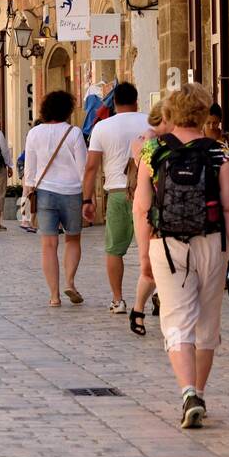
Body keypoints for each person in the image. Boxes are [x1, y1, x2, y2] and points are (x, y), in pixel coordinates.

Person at [133, 82, 229, 428]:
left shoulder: (153, 152)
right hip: (210, 242)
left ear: (169, 114)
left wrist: (143, 255)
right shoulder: (218, 153)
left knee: (177, 321)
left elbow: (142, 206)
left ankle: (187, 393)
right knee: (207, 324)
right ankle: (199, 390)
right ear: (202, 114)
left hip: (166, 243)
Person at [82, 81, 150, 315]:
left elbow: (91, 167)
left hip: (118, 193)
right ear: (136, 100)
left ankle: (118, 299)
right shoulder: (150, 122)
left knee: (114, 249)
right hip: (148, 191)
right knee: (154, 246)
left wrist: (87, 199)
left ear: (114, 103)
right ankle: (159, 294)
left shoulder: (102, 127)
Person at [23, 90, 87, 307]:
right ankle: (70, 282)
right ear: (67, 110)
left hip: (45, 193)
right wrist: (87, 198)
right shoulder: (74, 133)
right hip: (72, 191)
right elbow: (83, 169)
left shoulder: (34, 134)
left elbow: (29, 171)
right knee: (72, 239)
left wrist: (25, 199)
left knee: (48, 245)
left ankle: (54, 296)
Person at [126, 103, 167, 336]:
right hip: (148, 211)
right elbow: (143, 194)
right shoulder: (148, 143)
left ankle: (159, 304)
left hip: (166, 212)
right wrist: (147, 220)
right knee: (148, 266)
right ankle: (138, 308)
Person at [203, 103, 229, 178]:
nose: (211, 127)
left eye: (215, 123)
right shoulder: (199, 138)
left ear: (220, 121)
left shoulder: (228, 138)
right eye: (208, 123)